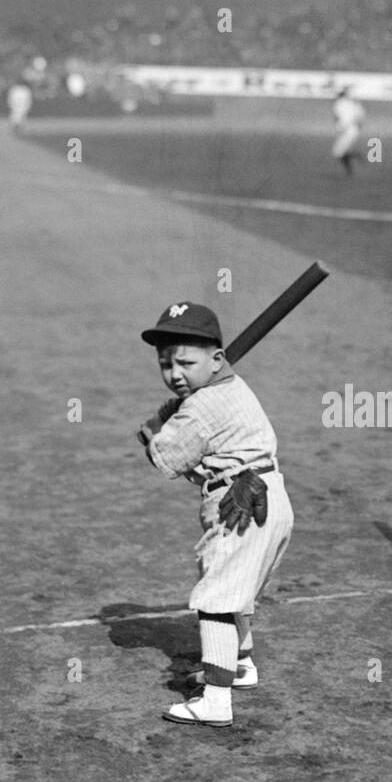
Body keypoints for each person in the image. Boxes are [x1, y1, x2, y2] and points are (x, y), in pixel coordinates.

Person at [137, 302, 294, 726]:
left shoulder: (202, 407)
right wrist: (173, 418)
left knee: (217, 599)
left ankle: (216, 701)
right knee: (234, 587)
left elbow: (168, 459)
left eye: (186, 362)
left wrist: (153, 434)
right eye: (166, 365)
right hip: (268, 497)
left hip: (241, 502)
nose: (175, 374)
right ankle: (240, 666)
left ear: (217, 359)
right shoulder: (229, 388)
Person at [331, 86, 365, 175]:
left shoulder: (338, 104)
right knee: (339, 152)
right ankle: (352, 167)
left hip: (347, 131)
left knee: (337, 152)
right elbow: (361, 116)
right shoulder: (354, 103)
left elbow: (337, 118)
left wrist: (339, 126)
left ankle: (353, 165)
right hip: (353, 130)